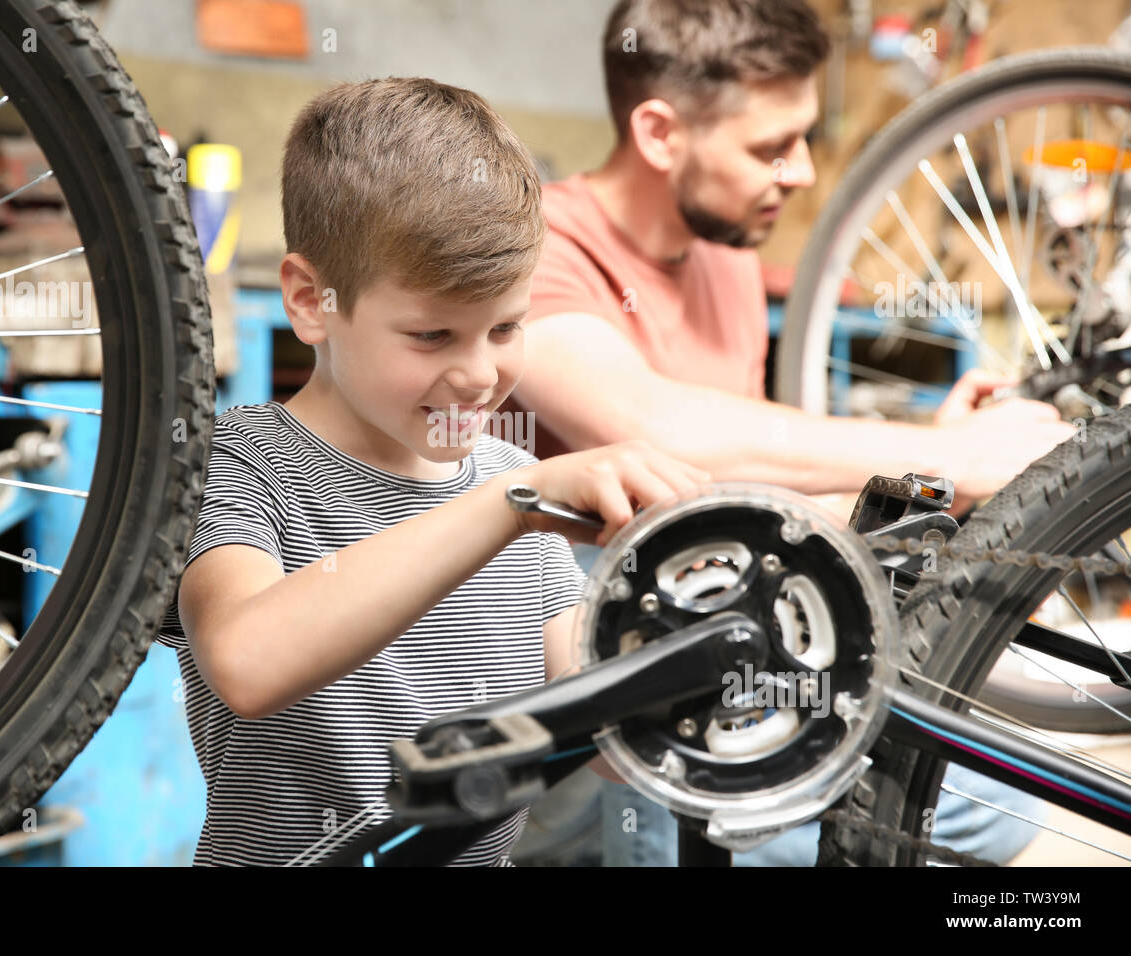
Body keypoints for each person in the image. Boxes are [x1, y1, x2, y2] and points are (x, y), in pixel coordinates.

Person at [505, 0, 1061, 867]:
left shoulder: (722, 255)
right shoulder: (531, 249)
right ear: (659, 132)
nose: (803, 173)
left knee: (999, 800)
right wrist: (948, 457)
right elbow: (653, 430)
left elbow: (752, 499)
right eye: (773, 147)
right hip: (589, 700)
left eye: (804, 139)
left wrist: (911, 484)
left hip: (735, 647)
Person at [154, 76, 710, 866]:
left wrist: (692, 633)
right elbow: (246, 662)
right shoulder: (242, 464)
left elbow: (597, 725)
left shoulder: (513, 479)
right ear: (313, 300)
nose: (480, 374)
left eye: (507, 327)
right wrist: (510, 505)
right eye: (432, 335)